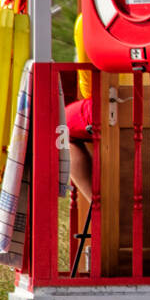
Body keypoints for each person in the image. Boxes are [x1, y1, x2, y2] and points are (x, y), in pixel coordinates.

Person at [64, 15, 95, 205]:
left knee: (59, 126)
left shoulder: (88, 20)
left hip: (112, 101)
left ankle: (96, 200)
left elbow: (88, 85)